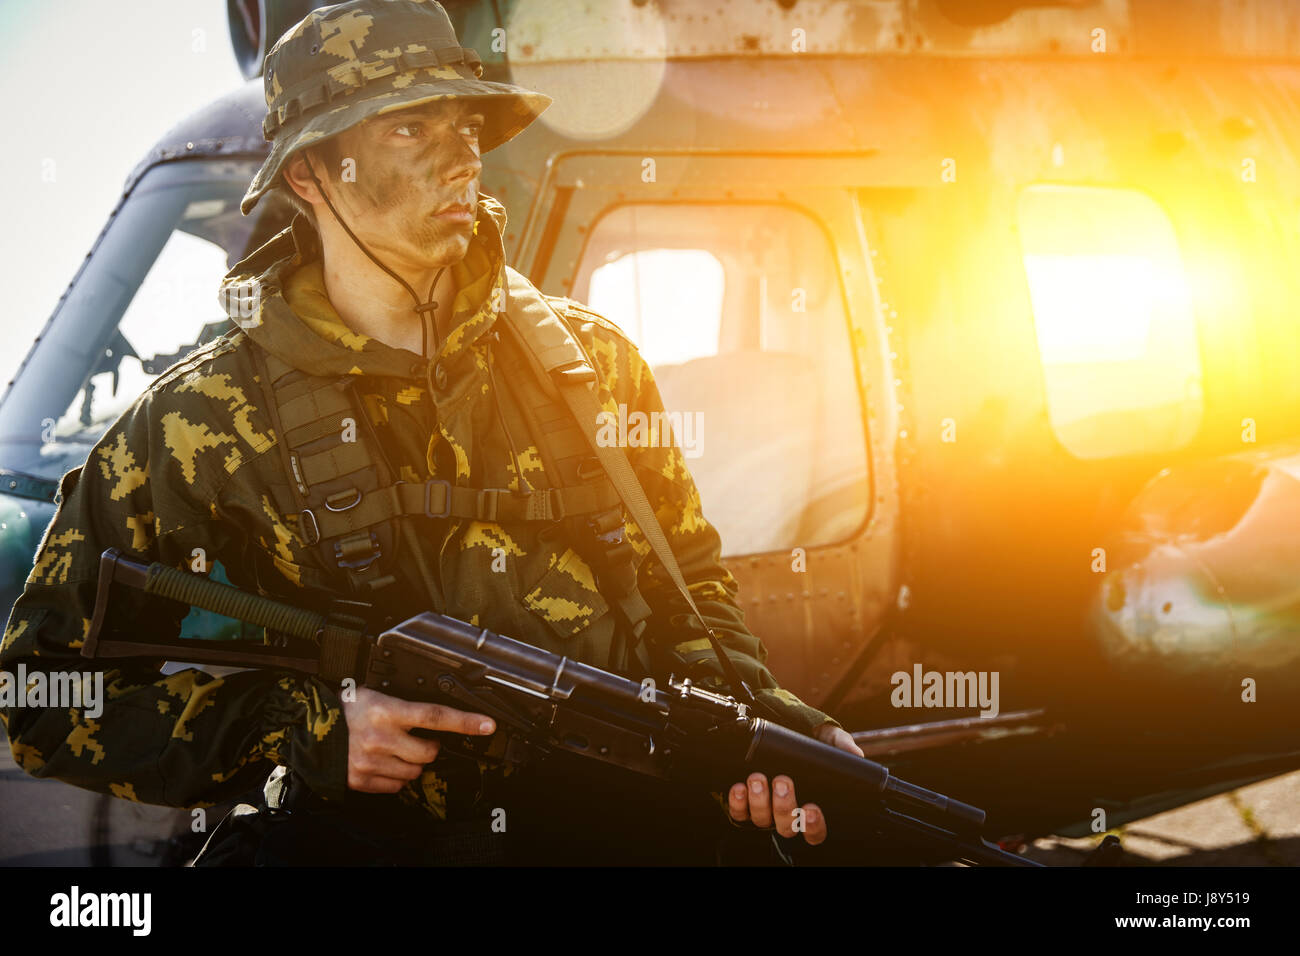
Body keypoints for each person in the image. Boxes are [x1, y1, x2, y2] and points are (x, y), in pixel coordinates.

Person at [0, 0, 863, 865]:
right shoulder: (204, 418)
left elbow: (689, 592)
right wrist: (306, 732)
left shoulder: (593, 363)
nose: (463, 157)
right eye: (412, 129)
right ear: (311, 176)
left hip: (614, 823)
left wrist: (772, 732)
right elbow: (39, 689)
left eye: (467, 124)